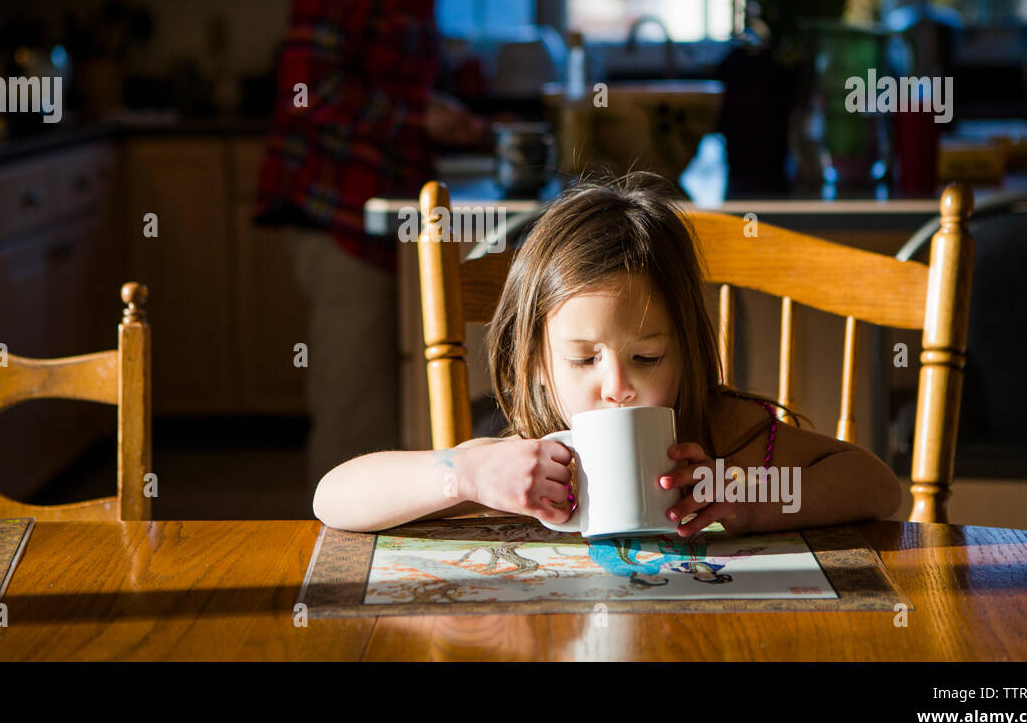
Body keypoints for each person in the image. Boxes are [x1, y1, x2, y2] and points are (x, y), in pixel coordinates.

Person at [313, 171, 903, 534]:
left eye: (647, 358)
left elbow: (878, 488)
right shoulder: (518, 463)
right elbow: (333, 496)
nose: (617, 385)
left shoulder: (722, 437)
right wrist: (464, 476)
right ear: (539, 364)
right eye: (582, 358)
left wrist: (750, 495)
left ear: (687, 353)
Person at [254, 0, 561, 487]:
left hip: (376, 204)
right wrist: (417, 114)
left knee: (379, 404)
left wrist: (442, 101)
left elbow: (380, 67)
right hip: (338, 212)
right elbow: (305, 86)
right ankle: (334, 577)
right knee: (353, 418)